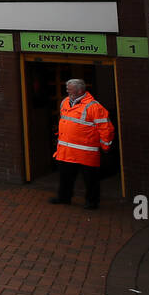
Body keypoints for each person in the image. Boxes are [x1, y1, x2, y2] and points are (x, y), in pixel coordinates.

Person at [49, 78, 115, 210]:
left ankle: (92, 202)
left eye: (70, 88)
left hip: (86, 152)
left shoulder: (94, 107)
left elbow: (106, 128)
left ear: (79, 90)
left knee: (91, 180)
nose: (67, 89)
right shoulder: (65, 102)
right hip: (67, 150)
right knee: (65, 177)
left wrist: (105, 147)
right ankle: (64, 197)